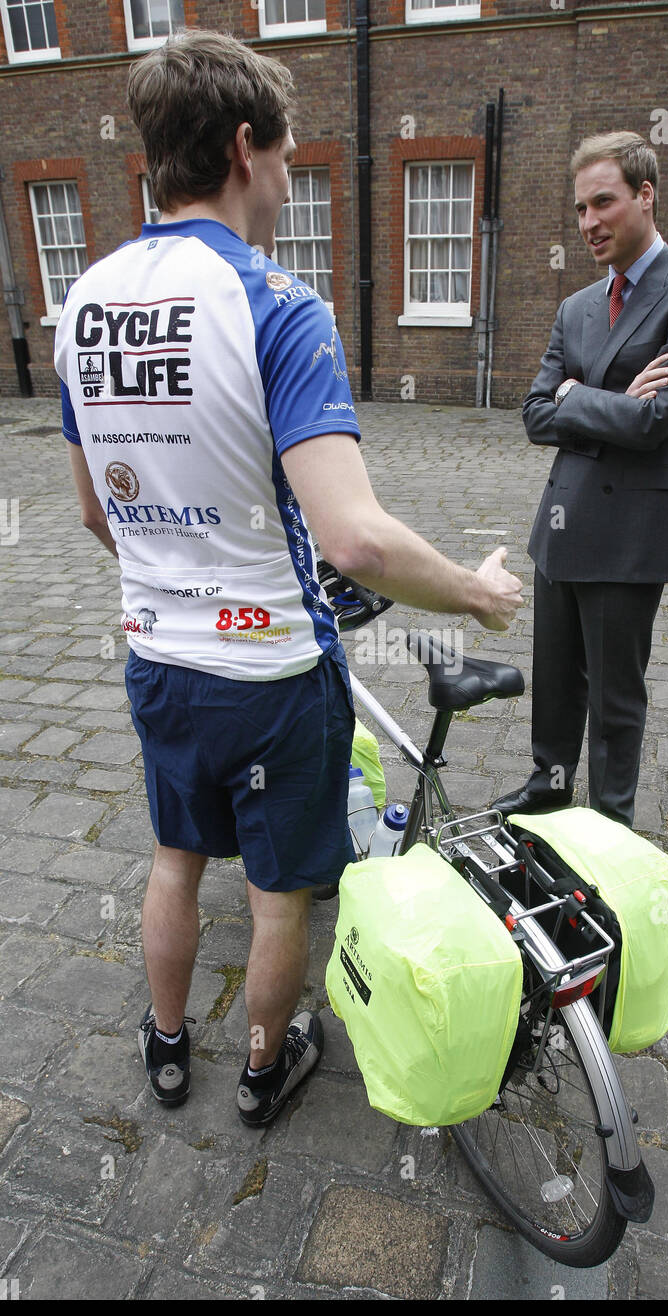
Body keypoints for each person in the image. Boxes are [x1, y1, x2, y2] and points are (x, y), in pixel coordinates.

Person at [55, 28, 522, 1127]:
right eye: (284, 155)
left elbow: (89, 510)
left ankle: (166, 1049)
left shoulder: (85, 303)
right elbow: (353, 540)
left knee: (175, 858)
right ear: (240, 146)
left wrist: (177, 568)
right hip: (269, 670)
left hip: (158, 657)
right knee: (276, 895)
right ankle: (266, 1069)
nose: (286, 176)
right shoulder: (278, 306)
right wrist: (473, 590)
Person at [492, 131, 668, 829]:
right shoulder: (575, 308)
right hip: (563, 521)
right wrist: (598, 402)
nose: (590, 222)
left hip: (632, 532)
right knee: (557, 680)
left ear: (645, 195)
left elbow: (656, 421)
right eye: (580, 210)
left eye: (604, 202)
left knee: (616, 693)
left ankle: (610, 822)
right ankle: (549, 781)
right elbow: (535, 414)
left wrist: (576, 396)